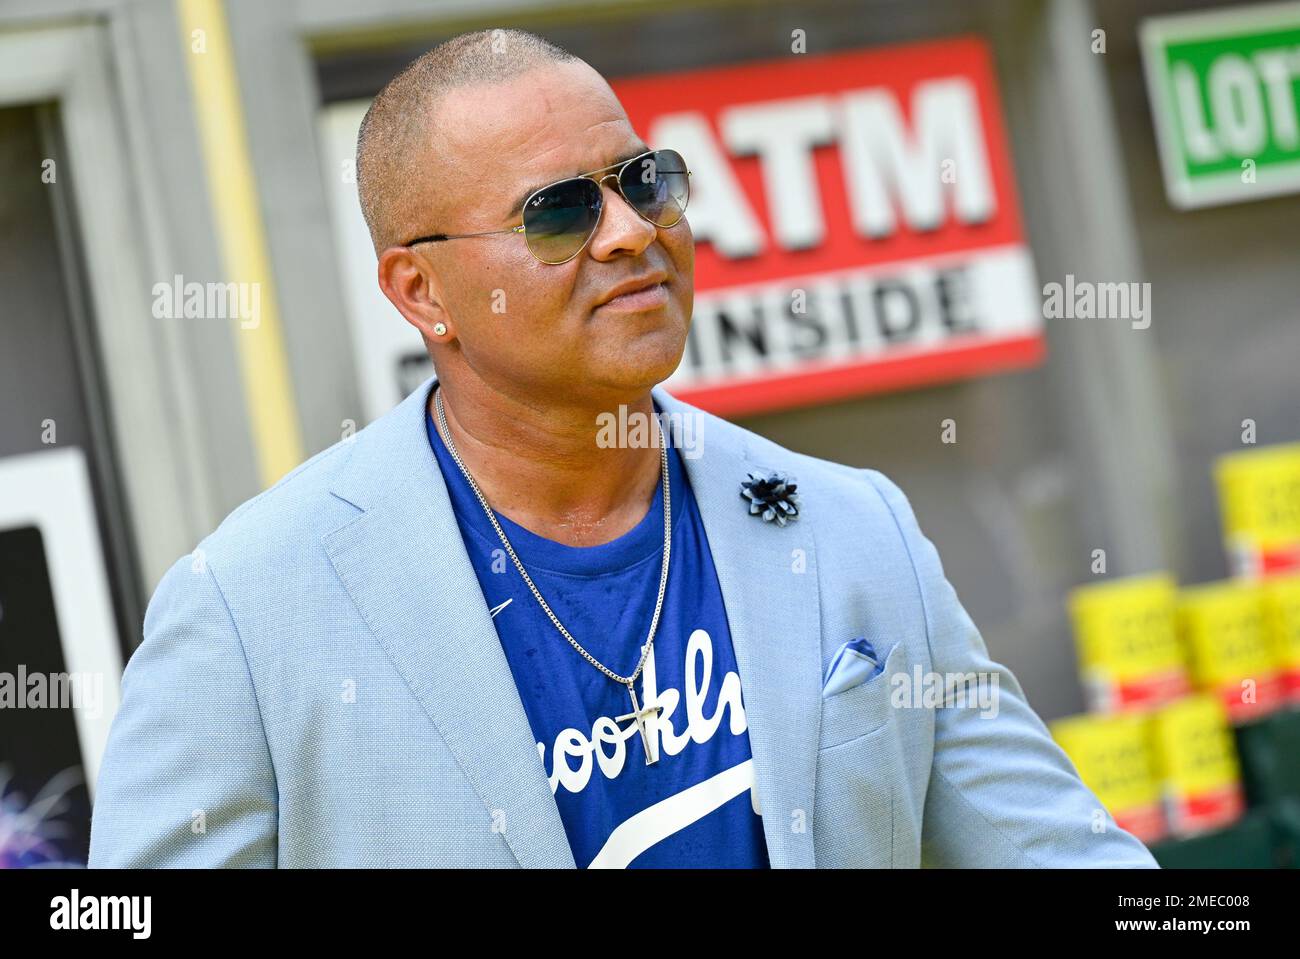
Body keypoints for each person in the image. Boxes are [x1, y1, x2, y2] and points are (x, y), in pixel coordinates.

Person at [88, 28, 1158, 869]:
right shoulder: (251, 609)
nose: (630, 230)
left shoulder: (848, 528)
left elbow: (1055, 849)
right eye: (557, 212)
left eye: (643, 180)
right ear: (422, 292)